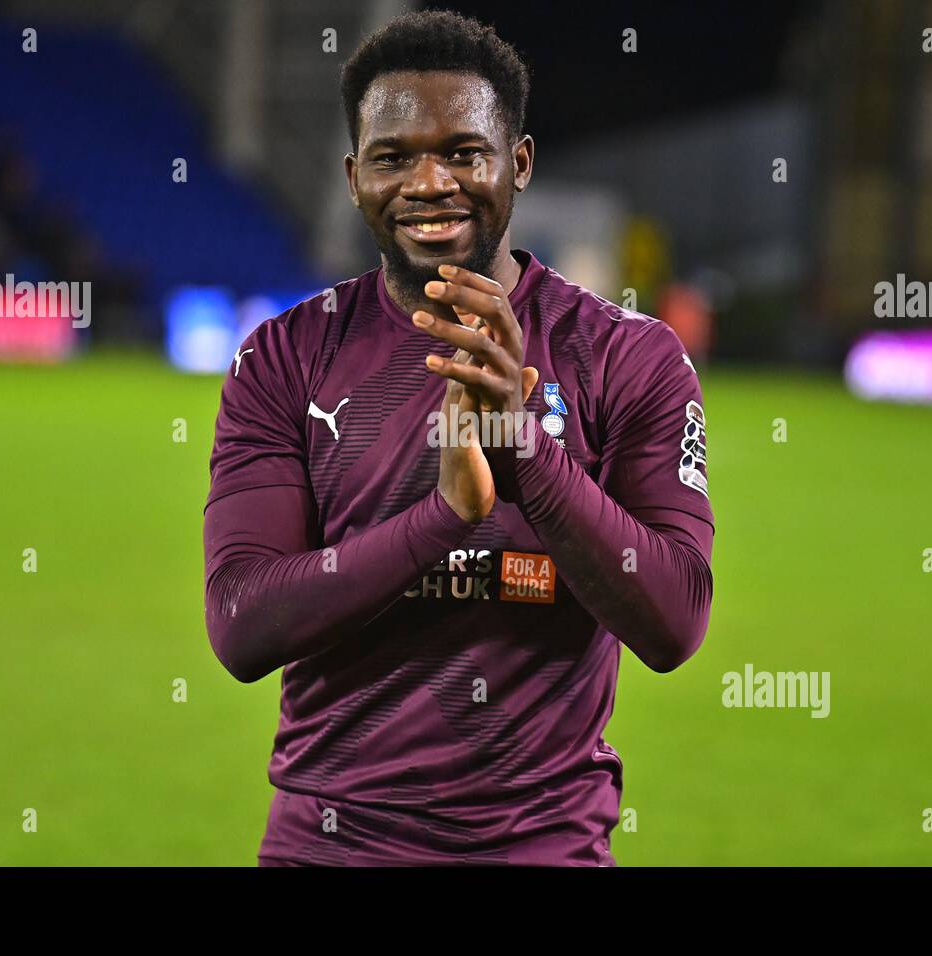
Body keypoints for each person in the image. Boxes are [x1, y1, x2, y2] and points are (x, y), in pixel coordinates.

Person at [203, 10, 714, 866]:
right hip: (329, 847)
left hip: (540, 849)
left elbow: (675, 621)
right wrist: (442, 518)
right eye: (393, 157)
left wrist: (523, 447)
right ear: (354, 176)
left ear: (518, 163)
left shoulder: (630, 357)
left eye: (463, 153)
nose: (428, 182)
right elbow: (240, 626)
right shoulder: (284, 358)